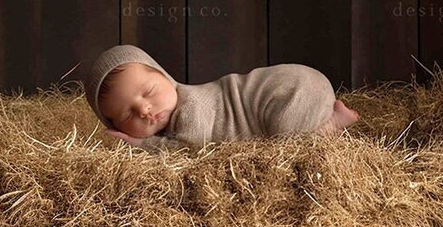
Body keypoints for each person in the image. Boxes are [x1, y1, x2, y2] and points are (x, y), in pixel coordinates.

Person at [83, 44, 359, 153]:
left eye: (149, 92)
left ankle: (330, 125)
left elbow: (192, 147)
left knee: (290, 151)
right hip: (289, 92)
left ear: (165, 77)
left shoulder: (191, 105)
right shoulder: (169, 119)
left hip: (290, 90)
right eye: (129, 115)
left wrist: (144, 146)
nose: (144, 108)